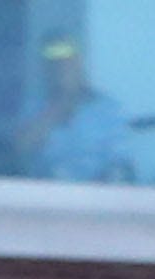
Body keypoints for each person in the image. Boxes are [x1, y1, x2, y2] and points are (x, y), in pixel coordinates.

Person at [17, 32, 129, 179]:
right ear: (45, 69)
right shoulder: (34, 106)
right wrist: (58, 105)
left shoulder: (107, 109)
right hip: (46, 196)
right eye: (54, 64)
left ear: (79, 64)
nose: (61, 69)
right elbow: (22, 148)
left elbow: (122, 164)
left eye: (67, 63)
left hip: (97, 197)